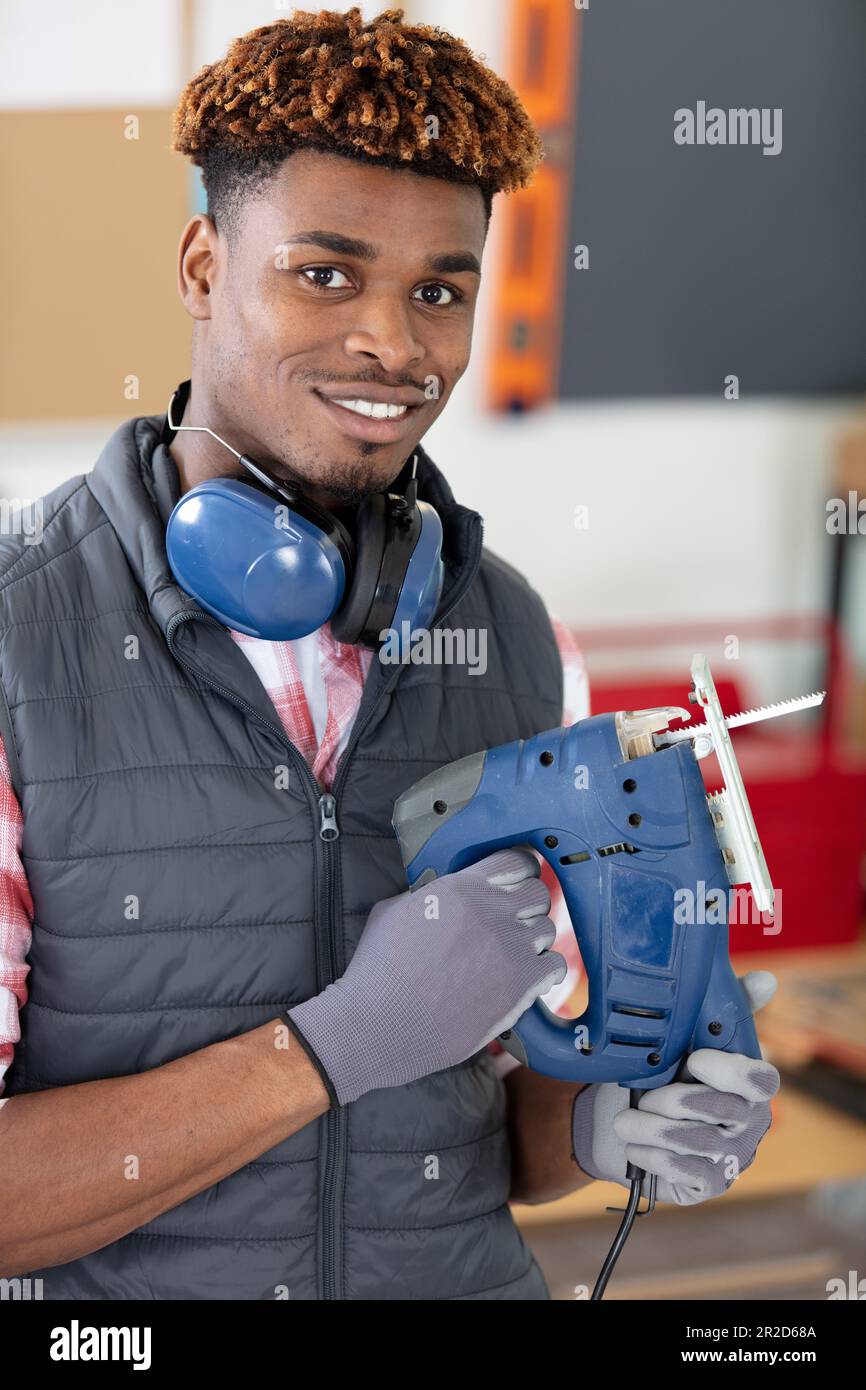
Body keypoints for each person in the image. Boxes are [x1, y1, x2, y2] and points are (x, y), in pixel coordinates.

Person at [0, 5, 777, 1301]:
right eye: (324, 272)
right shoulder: (21, 638)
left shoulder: (514, 634)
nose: (393, 343)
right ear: (201, 266)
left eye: (438, 290)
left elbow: (495, 1109)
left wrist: (592, 1125)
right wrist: (326, 1048)